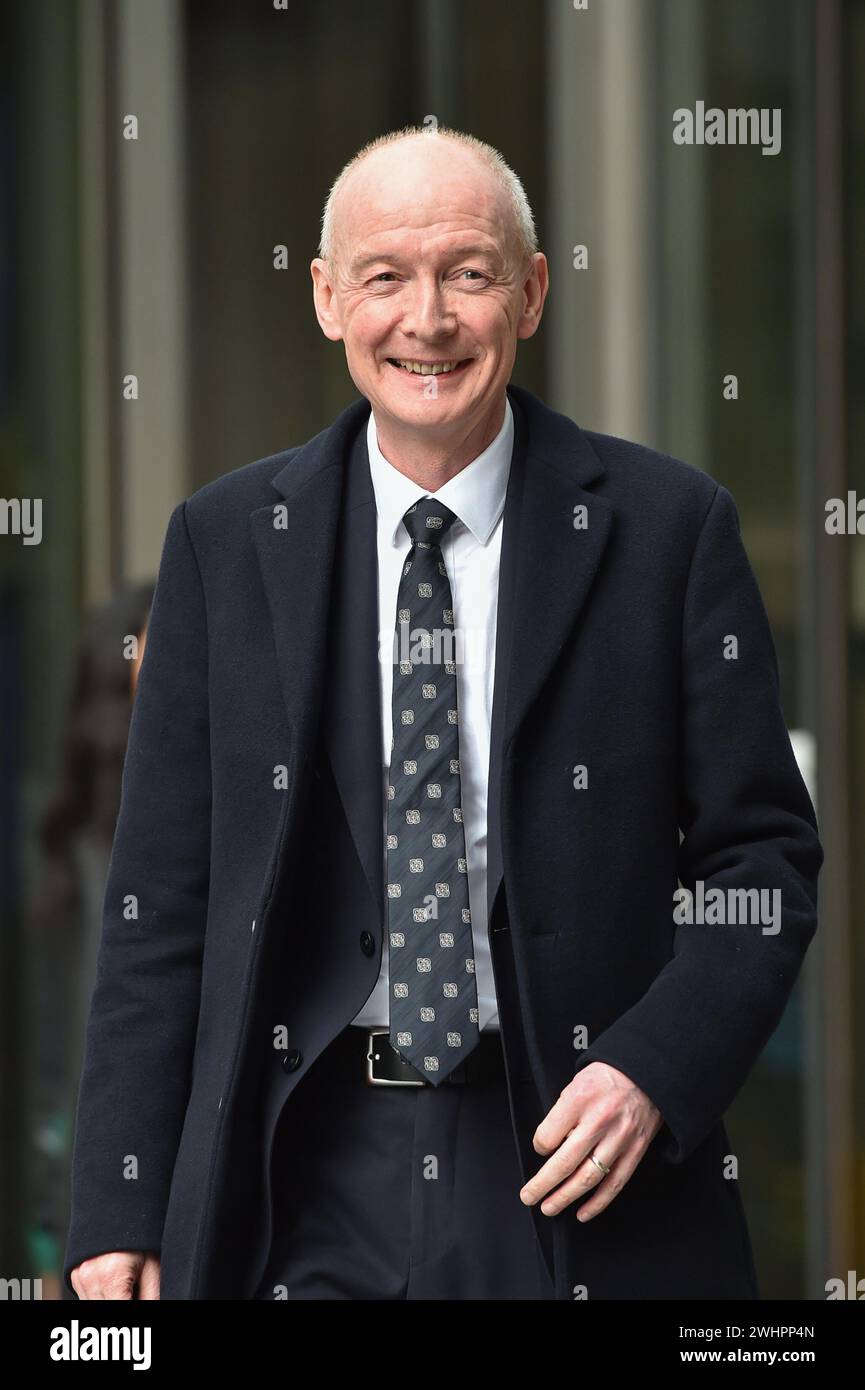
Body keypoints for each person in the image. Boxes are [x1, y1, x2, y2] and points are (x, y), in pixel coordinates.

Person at [66, 126, 823, 1301]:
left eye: (468, 273)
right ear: (328, 300)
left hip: (569, 1165)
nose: (426, 319)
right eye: (385, 277)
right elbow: (160, 901)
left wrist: (653, 1070)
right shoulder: (222, 545)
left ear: (529, 292)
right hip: (299, 1169)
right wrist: (118, 1206)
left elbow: (761, 860)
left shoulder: (669, 532)